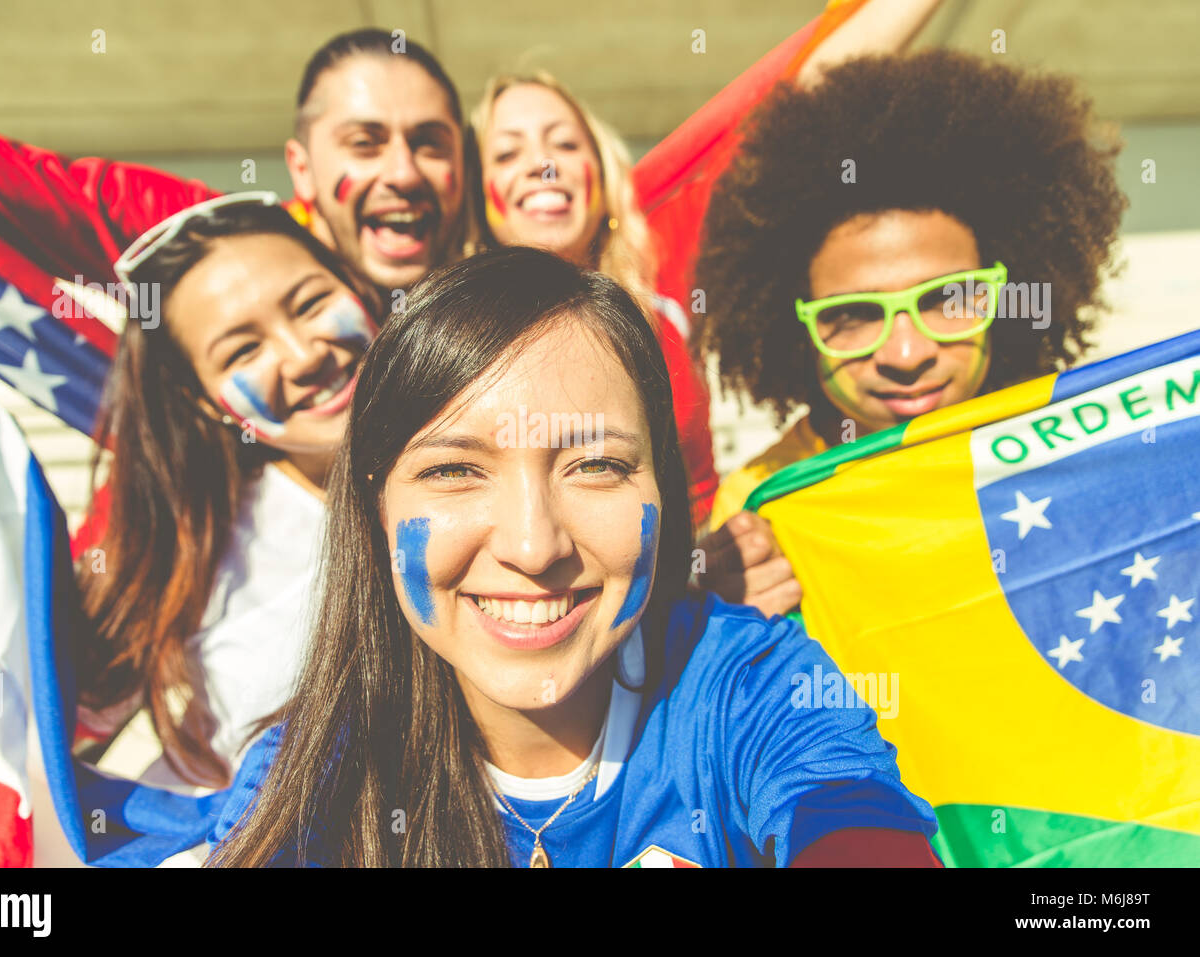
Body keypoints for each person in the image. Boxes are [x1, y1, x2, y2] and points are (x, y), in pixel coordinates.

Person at [205, 246, 940, 867]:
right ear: (375, 514)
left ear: (664, 485)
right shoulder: (303, 778)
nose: (534, 546)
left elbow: (848, 812)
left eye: (596, 466)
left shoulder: (750, 686)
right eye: (454, 470)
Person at [0, 194, 383, 787]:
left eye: (311, 303)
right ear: (206, 401)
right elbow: (9, 726)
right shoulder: (184, 550)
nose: (305, 355)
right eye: (243, 350)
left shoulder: (518, 438)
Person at [696, 49, 1125, 615]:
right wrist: (712, 619)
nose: (906, 352)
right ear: (789, 329)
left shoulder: (1089, 440)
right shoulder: (759, 507)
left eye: (947, 299)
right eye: (853, 315)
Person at [0, 28, 467, 298]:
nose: (403, 172)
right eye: (365, 143)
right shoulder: (208, 244)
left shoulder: (500, 301)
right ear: (301, 168)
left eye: (429, 143)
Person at [468, 70, 721, 526]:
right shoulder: (449, 323)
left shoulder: (660, 260)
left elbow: (786, 93)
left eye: (565, 144)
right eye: (506, 153)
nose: (542, 163)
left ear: (601, 173)